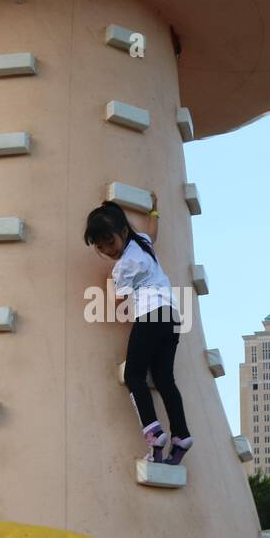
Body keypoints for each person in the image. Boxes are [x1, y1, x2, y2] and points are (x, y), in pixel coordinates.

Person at [84, 194, 193, 466]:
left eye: (109, 242)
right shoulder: (142, 243)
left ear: (122, 232)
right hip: (172, 315)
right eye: (100, 247)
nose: (108, 250)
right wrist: (153, 213)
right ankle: (181, 436)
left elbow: (119, 300)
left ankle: (154, 432)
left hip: (151, 314)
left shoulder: (123, 267)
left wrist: (111, 279)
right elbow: (152, 233)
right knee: (164, 377)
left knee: (134, 374)